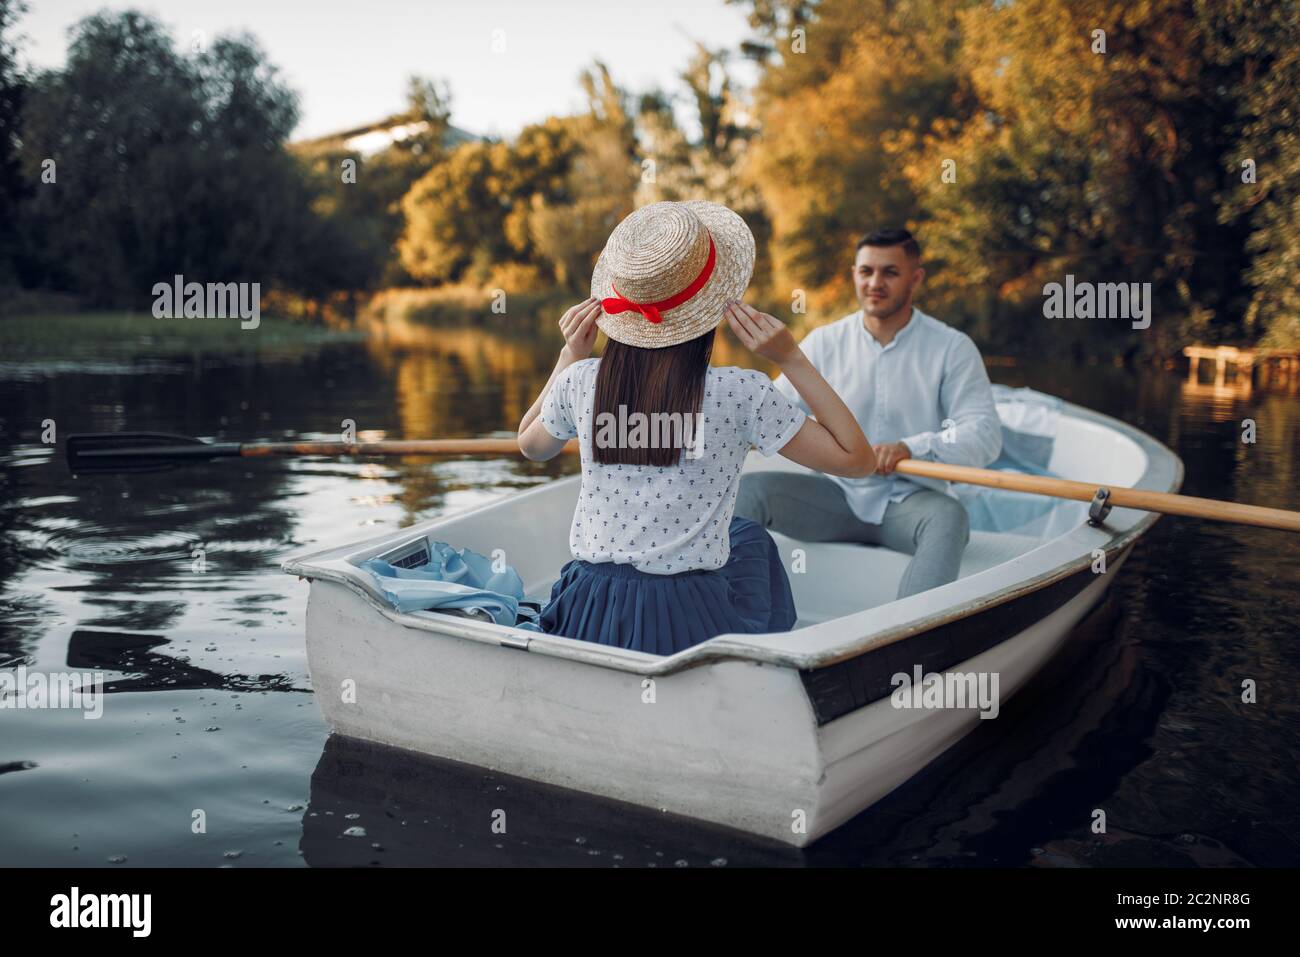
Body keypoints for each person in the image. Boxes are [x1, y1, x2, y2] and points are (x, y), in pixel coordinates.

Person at [515, 201, 876, 655]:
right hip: (682, 616)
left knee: (745, 533)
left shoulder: (580, 382)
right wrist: (792, 358)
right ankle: (764, 668)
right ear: (712, 310)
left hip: (588, 605)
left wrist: (569, 355)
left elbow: (531, 446)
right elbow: (858, 461)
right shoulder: (743, 393)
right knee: (752, 542)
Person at [736, 228, 1002, 600]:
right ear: (854, 274)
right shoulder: (823, 342)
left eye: (890, 272)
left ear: (916, 278)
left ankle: (908, 639)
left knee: (950, 517)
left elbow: (984, 433)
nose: (875, 283)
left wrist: (912, 447)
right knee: (749, 492)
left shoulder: (952, 348)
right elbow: (768, 412)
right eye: (866, 272)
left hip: (911, 503)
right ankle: (725, 613)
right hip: (834, 496)